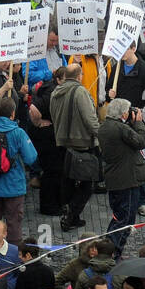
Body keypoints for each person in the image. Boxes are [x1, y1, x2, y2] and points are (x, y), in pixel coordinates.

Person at [0, 96, 38, 245]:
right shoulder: (18, 133)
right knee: (14, 224)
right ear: (12, 113)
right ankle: (13, 257)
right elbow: (31, 157)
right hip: (14, 186)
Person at [50, 61, 100, 231]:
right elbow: (90, 119)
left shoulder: (56, 91)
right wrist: (100, 134)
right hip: (80, 142)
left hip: (62, 141)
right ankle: (71, 214)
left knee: (68, 180)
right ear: (79, 76)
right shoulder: (80, 91)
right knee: (88, 183)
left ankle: (72, 214)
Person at [98, 97, 145, 254]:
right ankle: (112, 253)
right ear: (124, 114)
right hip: (127, 181)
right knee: (125, 221)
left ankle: (105, 248)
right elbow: (141, 142)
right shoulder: (121, 129)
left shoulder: (105, 126)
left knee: (118, 217)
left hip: (115, 180)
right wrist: (139, 123)